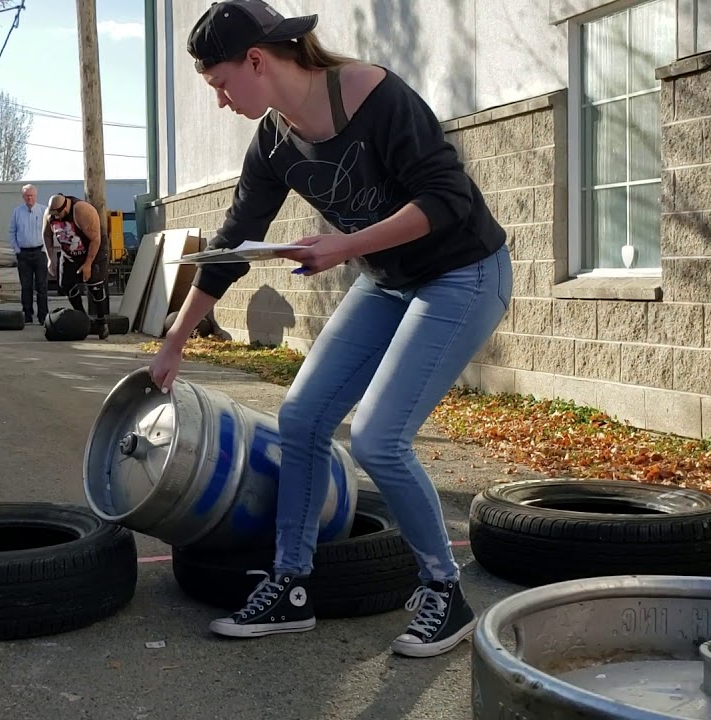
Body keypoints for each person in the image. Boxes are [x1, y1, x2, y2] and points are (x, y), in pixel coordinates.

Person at [150, 0, 511, 658]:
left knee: (378, 437)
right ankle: (291, 584)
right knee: (302, 417)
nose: (223, 101)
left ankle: (444, 590)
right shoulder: (274, 142)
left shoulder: (375, 97)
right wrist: (175, 337)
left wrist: (346, 246)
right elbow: (234, 241)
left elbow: (446, 199)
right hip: (387, 280)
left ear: (257, 61)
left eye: (221, 84)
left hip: (464, 271)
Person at [43, 193, 110, 340]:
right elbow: (47, 235)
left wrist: (88, 263)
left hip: (93, 250)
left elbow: (96, 239)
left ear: (64, 208)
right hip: (69, 253)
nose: (56, 218)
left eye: (58, 215)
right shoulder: (50, 213)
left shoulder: (81, 210)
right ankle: (83, 318)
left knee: (95, 285)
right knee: (65, 284)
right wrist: (50, 258)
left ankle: (101, 320)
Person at [8, 183, 49, 324]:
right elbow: (12, 232)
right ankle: (27, 314)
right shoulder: (17, 212)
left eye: (31, 195)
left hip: (40, 252)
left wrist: (46, 250)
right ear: (23, 197)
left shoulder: (44, 211)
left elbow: (50, 233)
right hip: (23, 254)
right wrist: (17, 249)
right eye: (26, 196)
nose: (29, 198)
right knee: (26, 286)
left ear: (35, 196)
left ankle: (43, 315)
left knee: (42, 286)